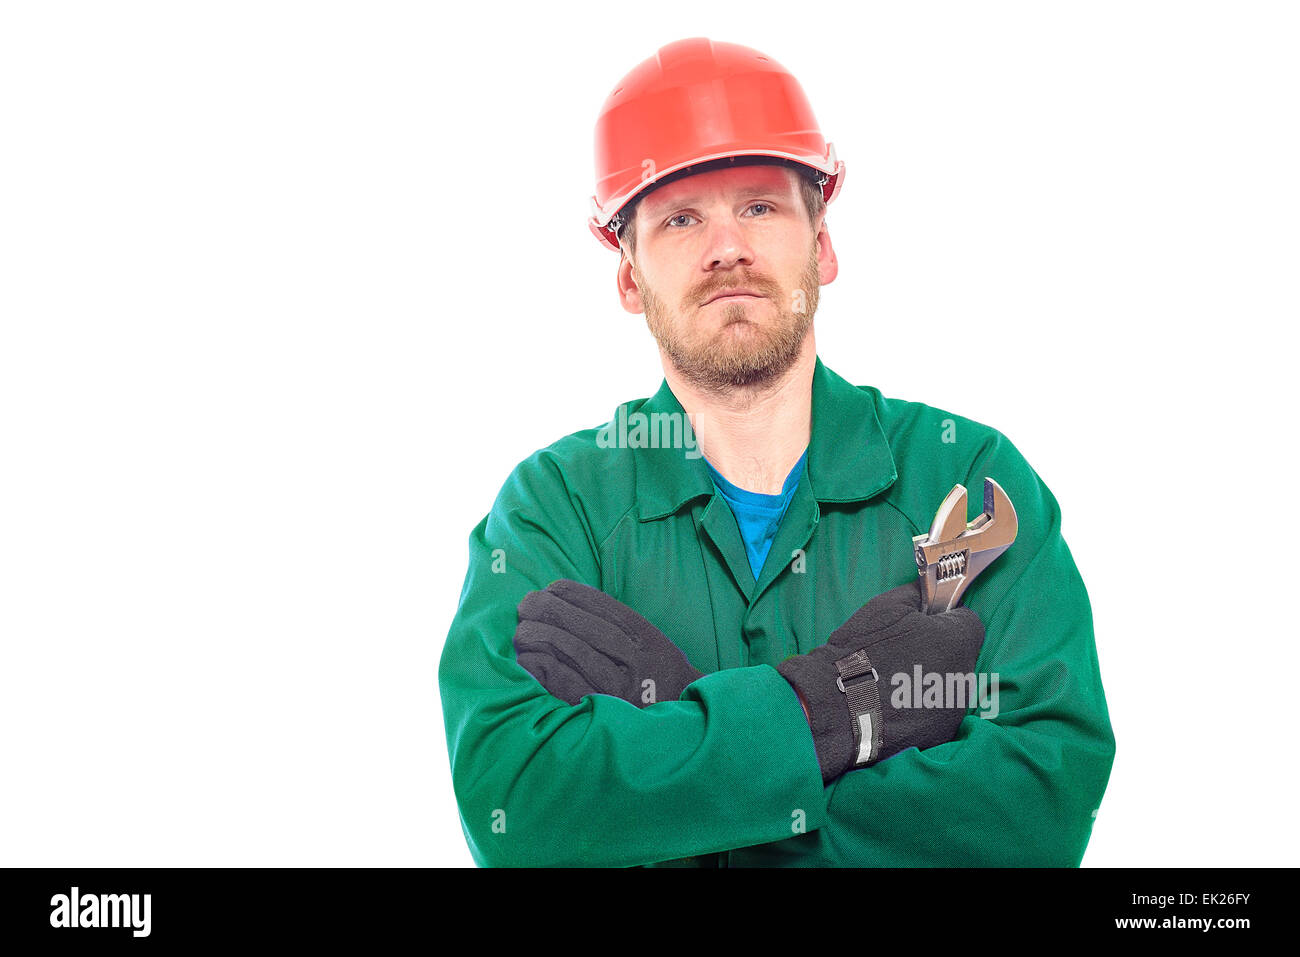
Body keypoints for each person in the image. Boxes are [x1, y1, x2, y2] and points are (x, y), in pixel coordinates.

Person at [437, 37, 1115, 867]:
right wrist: (835, 708)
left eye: (759, 206)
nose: (727, 246)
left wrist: (687, 793)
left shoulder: (971, 479)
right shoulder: (555, 509)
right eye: (681, 218)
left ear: (822, 248)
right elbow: (520, 805)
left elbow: (1037, 806)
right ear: (627, 278)